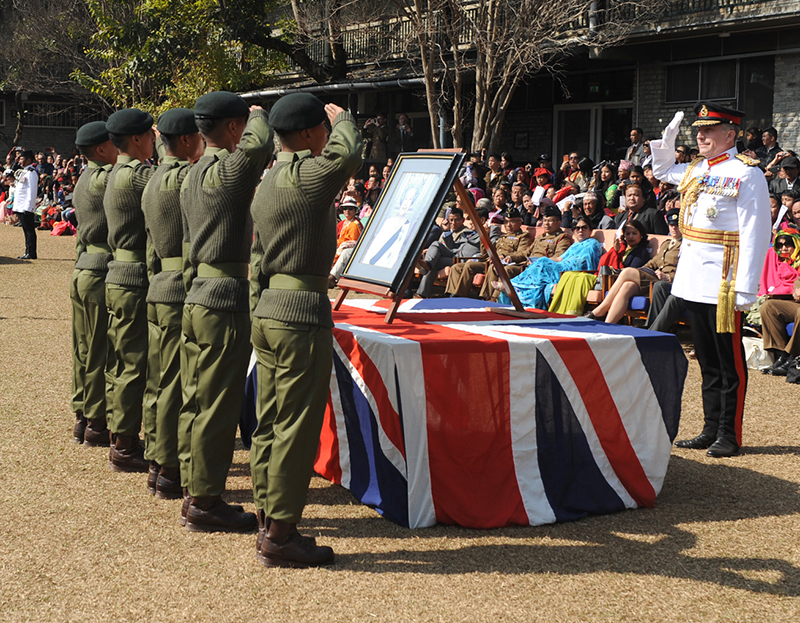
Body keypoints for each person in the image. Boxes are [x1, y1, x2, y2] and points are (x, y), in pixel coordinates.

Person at [250, 94, 361, 568]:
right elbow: (348, 154)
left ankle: (266, 516)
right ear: (312, 134)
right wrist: (345, 120)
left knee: (270, 420)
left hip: (268, 308)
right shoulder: (307, 175)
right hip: (299, 312)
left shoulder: (268, 180)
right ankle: (282, 532)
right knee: (295, 425)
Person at [651, 102, 771, 458]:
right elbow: (661, 170)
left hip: (724, 282)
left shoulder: (746, 173)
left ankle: (729, 434)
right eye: (698, 131)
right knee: (706, 362)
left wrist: (746, 287)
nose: (700, 136)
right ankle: (709, 428)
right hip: (693, 280)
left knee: (728, 364)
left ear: (730, 135)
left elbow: (755, 232)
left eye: (709, 131)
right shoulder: (696, 169)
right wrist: (669, 135)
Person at [179, 92, 273, 532]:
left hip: (197, 292)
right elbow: (259, 145)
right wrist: (257, 114)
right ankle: (205, 500)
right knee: (218, 403)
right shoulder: (230, 169)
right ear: (232, 128)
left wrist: (246, 117)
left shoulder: (191, 172)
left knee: (198, 399)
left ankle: (195, 488)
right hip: (223, 296)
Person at [140, 108, 204, 499]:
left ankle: (158, 462)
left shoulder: (152, 180)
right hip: (182, 286)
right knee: (179, 384)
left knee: (160, 379)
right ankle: (169, 467)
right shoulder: (186, 178)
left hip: (160, 282)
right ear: (185, 141)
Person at [103, 108, 158, 472]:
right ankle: (124, 444)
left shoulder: (116, 173)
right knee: (134, 362)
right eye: (151, 135)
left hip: (119, 273)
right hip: (135, 274)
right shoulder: (138, 175)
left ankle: (120, 435)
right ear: (137, 139)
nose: (155, 140)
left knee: (122, 359)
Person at [70, 122, 118, 447]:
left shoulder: (85, 177)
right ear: (101, 149)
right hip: (100, 269)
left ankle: (82, 415)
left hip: (83, 267)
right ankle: (97, 423)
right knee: (100, 349)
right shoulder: (106, 178)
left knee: (83, 349)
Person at [498, 215, 603, 309]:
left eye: (584, 227)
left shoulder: (592, 243)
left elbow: (584, 262)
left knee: (543, 263)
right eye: (577, 228)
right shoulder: (575, 245)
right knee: (542, 261)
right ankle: (513, 287)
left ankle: (512, 286)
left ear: (590, 230)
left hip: (572, 271)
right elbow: (559, 258)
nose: (580, 230)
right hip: (562, 266)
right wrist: (539, 260)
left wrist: (557, 263)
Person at [584, 220, 654, 322]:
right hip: (625, 284)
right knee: (627, 285)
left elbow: (627, 272)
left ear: (641, 235)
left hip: (641, 284)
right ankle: (608, 324)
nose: (631, 237)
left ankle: (600, 310)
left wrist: (617, 255)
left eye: (634, 233)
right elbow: (606, 262)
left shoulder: (641, 253)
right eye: (628, 234)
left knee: (627, 278)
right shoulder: (622, 249)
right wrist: (615, 252)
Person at [759, 230, 800, 375]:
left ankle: (792, 356)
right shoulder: (777, 260)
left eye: (788, 244)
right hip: (792, 302)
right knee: (768, 307)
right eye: (780, 244)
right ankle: (781, 354)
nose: (783, 248)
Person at [13, 150, 38, 259]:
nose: (20, 161)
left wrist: (29, 207)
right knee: (25, 230)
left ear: (28, 160)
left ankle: (31, 253)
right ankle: (27, 251)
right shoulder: (24, 172)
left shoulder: (32, 173)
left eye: (22, 158)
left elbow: (32, 191)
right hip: (21, 205)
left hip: (26, 206)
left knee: (29, 230)